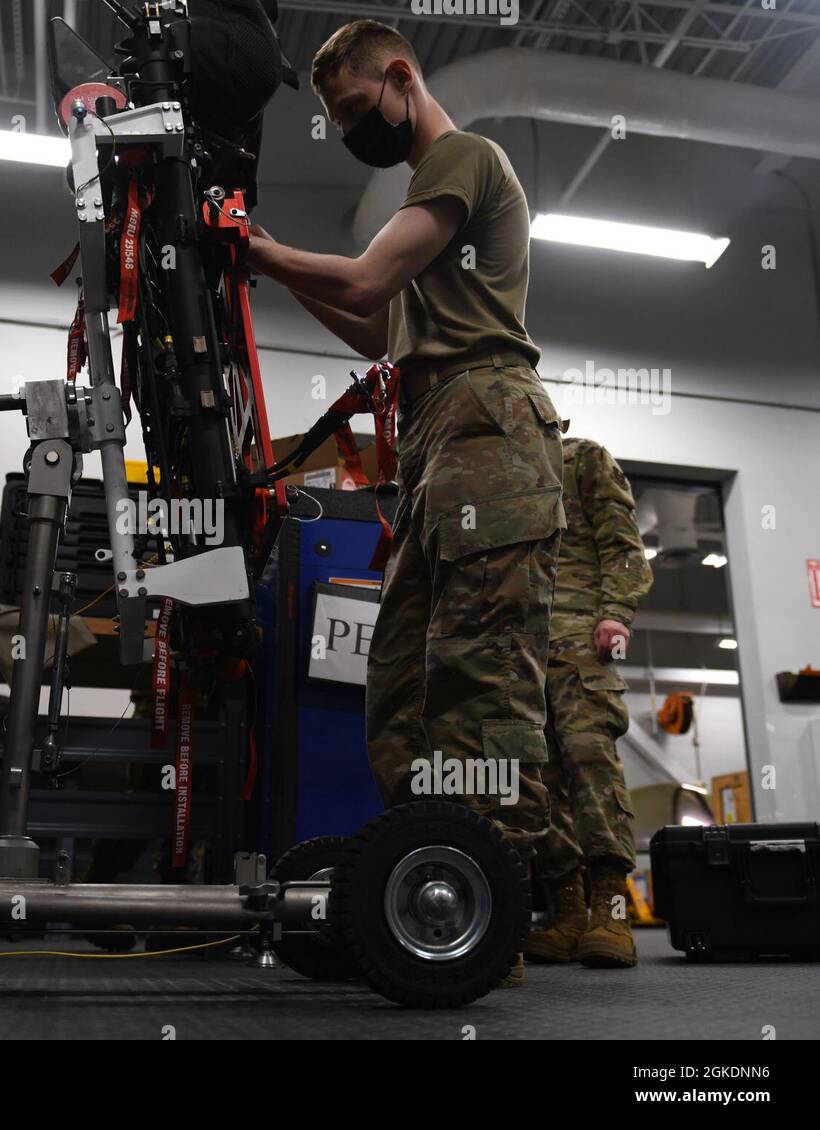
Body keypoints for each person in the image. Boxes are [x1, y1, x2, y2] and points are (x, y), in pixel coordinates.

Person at [245, 19, 565, 985]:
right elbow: (369, 325)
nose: (348, 131)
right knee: (401, 688)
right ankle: (438, 878)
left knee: (481, 680)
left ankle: (502, 906)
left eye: (352, 110)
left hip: (487, 427)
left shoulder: (463, 159)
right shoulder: (434, 220)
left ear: (399, 76)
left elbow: (365, 274)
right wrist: (260, 266)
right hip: (436, 440)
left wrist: (254, 251)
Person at [527, 437, 652, 968]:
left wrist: (616, 612)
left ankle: (613, 910)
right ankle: (570, 911)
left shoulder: (581, 458)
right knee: (536, 778)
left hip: (581, 639)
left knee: (589, 764)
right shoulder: (496, 474)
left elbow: (623, 545)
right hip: (519, 650)